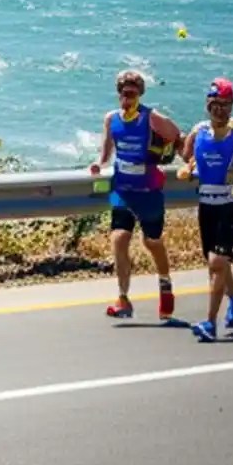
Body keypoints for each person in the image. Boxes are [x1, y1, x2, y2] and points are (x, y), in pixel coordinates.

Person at [89, 70, 182, 320]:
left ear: (140, 94)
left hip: (149, 191)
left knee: (151, 242)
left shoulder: (151, 118)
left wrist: (178, 159)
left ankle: (165, 287)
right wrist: (99, 164)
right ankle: (123, 299)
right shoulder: (111, 119)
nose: (126, 98)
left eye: (131, 93)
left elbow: (177, 136)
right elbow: (107, 151)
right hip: (122, 189)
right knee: (118, 239)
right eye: (122, 93)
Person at [178, 78, 233, 341]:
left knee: (216, 263)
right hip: (208, 205)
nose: (220, 110)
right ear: (207, 105)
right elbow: (188, 154)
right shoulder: (198, 132)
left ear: (232, 105)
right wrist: (189, 167)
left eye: (225, 105)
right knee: (216, 262)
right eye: (215, 104)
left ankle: (210, 324)